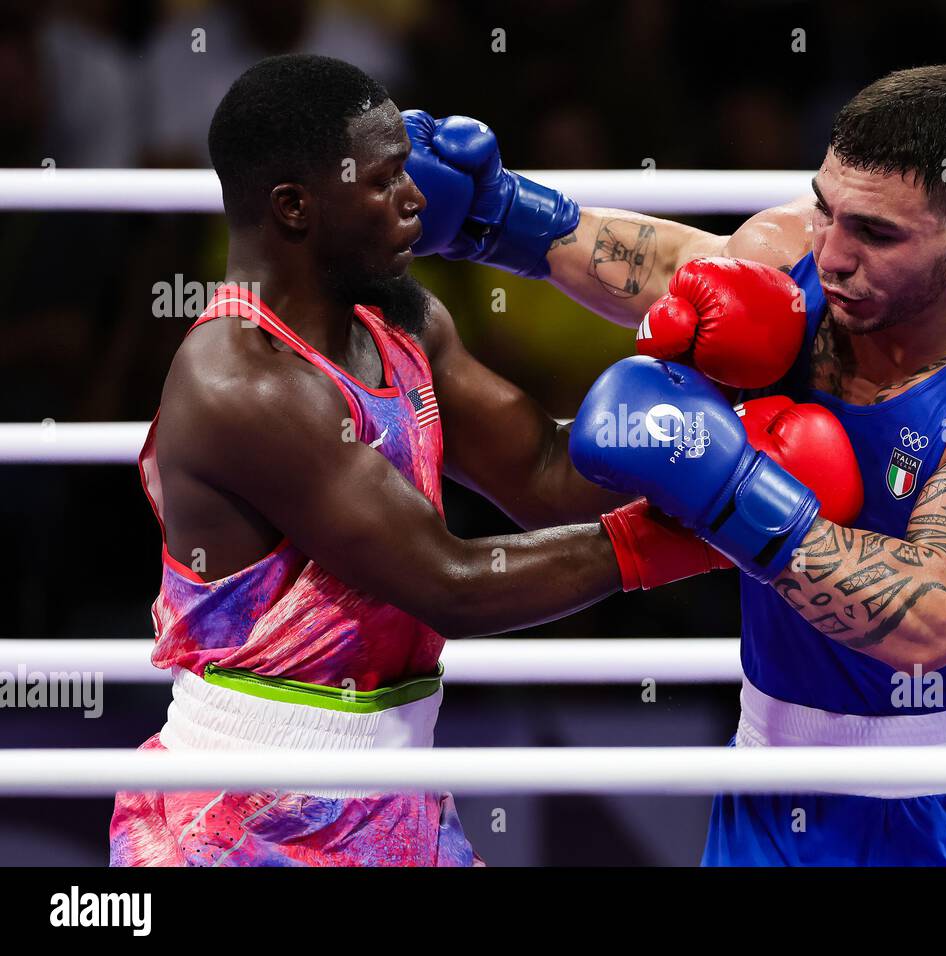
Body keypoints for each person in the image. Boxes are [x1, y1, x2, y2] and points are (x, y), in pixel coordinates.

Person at [109, 54, 859, 866]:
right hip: (240, 810)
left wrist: (719, 436)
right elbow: (452, 585)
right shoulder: (241, 380)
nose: (417, 199)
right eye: (386, 179)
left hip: (397, 795)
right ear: (295, 206)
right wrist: (721, 528)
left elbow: (543, 475)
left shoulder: (403, 319)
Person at [411, 64, 946, 865]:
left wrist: (728, 490)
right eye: (826, 209)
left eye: (876, 233)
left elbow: (935, 618)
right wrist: (499, 216)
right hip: (782, 797)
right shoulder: (807, 254)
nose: (832, 255)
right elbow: (672, 272)